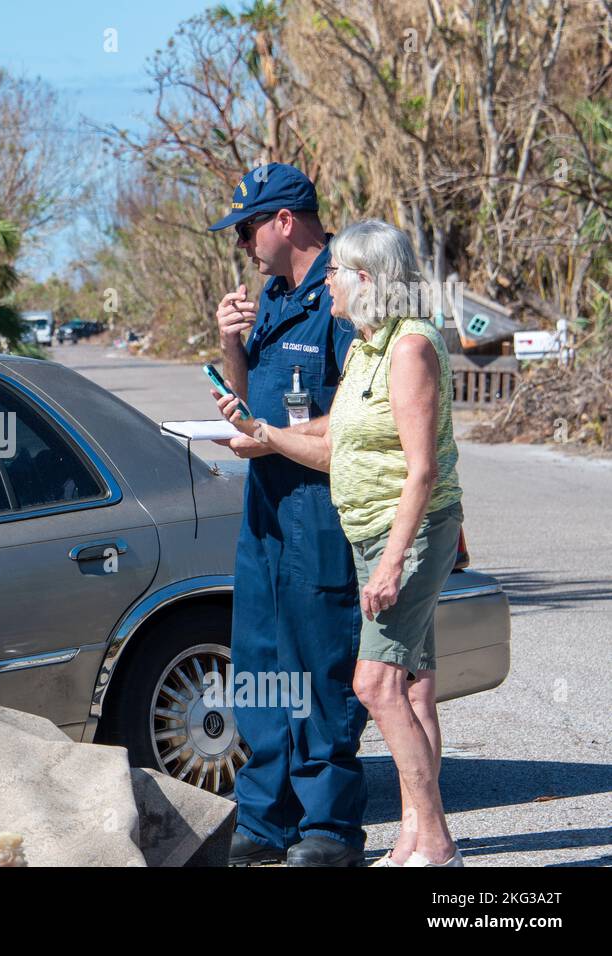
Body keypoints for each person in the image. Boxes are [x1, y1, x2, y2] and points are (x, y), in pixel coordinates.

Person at [213, 218, 465, 867]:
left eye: (338, 272)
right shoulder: (368, 346)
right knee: (410, 689)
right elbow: (338, 434)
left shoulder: (410, 348)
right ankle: (415, 836)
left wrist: (389, 563)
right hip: (370, 530)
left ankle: (432, 843)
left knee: (374, 685)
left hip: (398, 533)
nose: (328, 281)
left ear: (368, 279)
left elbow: (422, 469)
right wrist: (263, 432)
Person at [207, 164, 367, 867]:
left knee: (320, 662)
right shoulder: (270, 299)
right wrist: (230, 345)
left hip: (320, 505)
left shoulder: (345, 291)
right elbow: (243, 405)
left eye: (246, 228)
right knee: (262, 662)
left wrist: (275, 438)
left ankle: (329, 830)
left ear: (282, 221)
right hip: (266, 504)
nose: (242, 243)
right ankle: (265, 822)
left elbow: (359, 415)